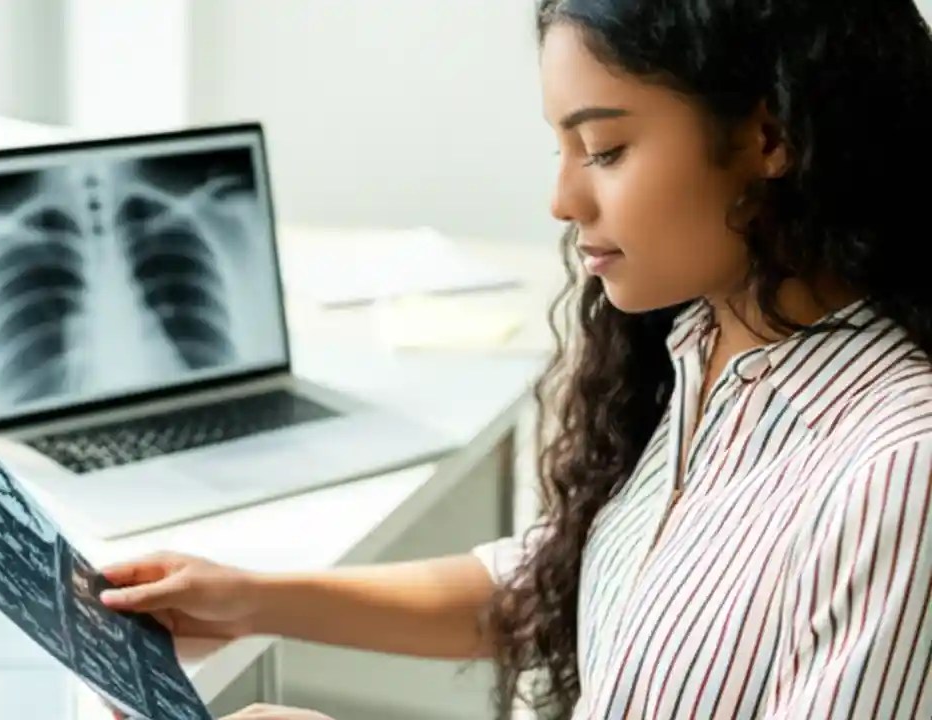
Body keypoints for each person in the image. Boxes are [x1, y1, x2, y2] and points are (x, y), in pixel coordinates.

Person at [95, 1, 932, 717]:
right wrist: (254, 600)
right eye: (560, 150)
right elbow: (567, 578)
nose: (562, 199)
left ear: (769, 137)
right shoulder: (711, 350)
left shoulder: (900, 471)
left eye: (603, 150)